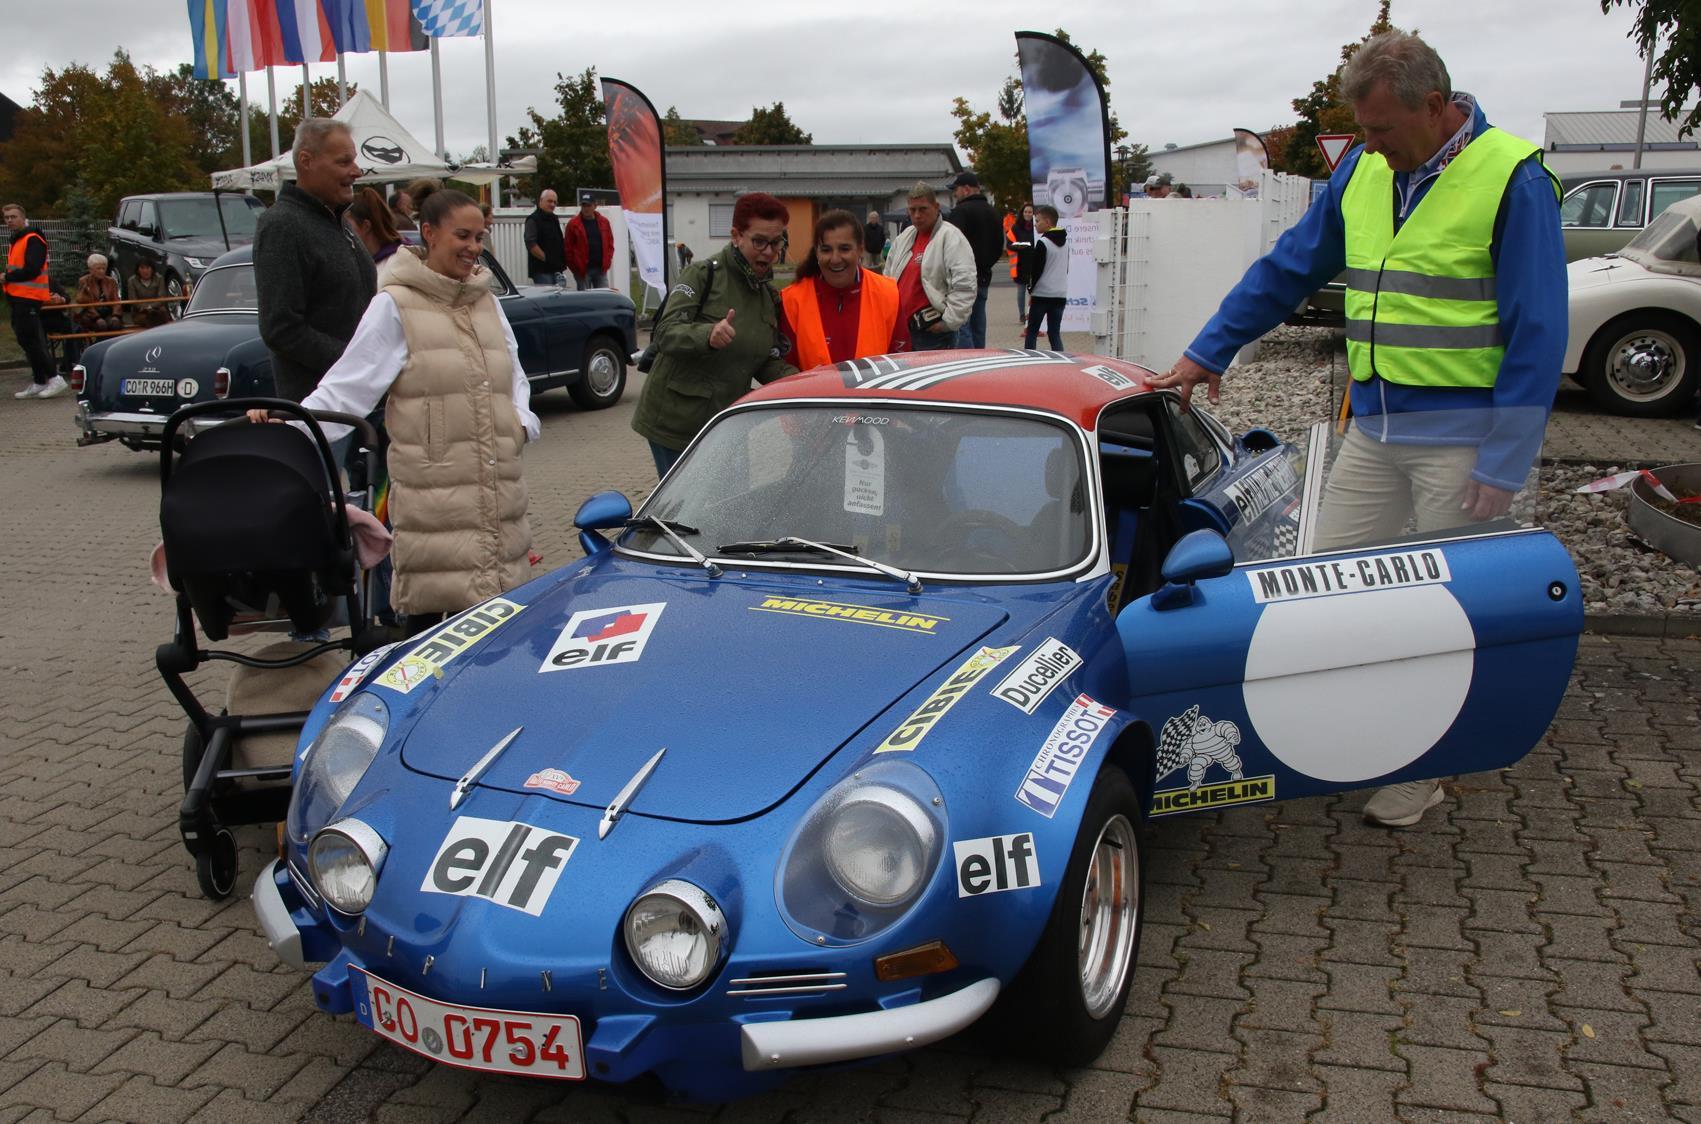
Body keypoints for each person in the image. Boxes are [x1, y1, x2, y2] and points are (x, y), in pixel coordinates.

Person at [1148, 30, 1565, 829]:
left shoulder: (1512, 177)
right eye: (1362, 131)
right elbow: (1288, 266)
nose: (1366, 146)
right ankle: (1354, 729)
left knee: (1445, 609)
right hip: (1374, 428)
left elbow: (1537, 331)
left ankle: (1429, 766)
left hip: (1463, 439)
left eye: (1380, 130)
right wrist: (1208, 351)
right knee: (1323, 584)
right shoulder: (1364, 171)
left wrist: (1504, 462)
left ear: (1436, 106)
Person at [252, 189, 540, 624]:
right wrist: (287, 430)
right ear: (428, 233)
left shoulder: (486, 302)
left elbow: (514, 374)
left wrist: (520, 424)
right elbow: (349, 386)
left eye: (480, 237)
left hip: (501, 493)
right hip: (435, 499)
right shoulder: (394, 305)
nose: (473, 247)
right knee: (429, 638)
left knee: (499, 633)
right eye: (462, 235)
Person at [631, 192, 797, 477]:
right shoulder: (702, 275)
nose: (769, 252)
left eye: (776, 242)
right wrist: (707, 335)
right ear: (736, 236)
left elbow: (764, 359)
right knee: (684, 513)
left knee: (729, 507)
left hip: (724, 425)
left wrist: (804, 380)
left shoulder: (768, 296)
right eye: (759, 241)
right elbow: (666, 333)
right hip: (677, 424)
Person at [253, 118, 376, 403]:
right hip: (321, 409)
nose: (356, 171)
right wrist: (355, 364)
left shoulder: (337, 222)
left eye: (354, 161)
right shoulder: (282, 225)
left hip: (357, 400)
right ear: (306, 161)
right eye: (344, 162)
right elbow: (281, 329)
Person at [781, 209, 903, 369]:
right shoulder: (792, 300)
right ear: (816, 252)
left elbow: (901, 365)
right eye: (826, 250)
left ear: (860, 249)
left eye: (844, 249)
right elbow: (785, 372)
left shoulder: (888, 294)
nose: (835, 259)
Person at [883, 182, 975, 353]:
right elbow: (887, 278)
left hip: (932, 333)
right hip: (901, 330)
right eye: (912, 210)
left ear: (936, 207)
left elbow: (965, 284)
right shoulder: (904, 238)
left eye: (923, 209)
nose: (917, 215)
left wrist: (948, 323)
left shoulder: (951, 237)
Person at [4, 202, 67, 399]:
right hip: (18, 297)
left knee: (32, 340)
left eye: (13, 217)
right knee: (24, 339)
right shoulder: (17, 240)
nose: (9, 221)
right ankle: (40, 380)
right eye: (6, 218)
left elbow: (33, 269)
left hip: (29, 298)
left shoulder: (33, 239)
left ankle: (55, 378)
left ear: (23, 217)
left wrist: (7, 277)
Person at [945, 172, 1005, 350]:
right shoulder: (993, 212)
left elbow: (950, 245)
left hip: (962, 278)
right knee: (979, 326)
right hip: (984, 276)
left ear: (966, 189)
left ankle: (966, 364)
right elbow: (998, 246)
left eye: (955, 190)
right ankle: (981, 362)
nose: (954, 195)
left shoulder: (960, 212)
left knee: (962, 326)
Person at [1023, 205, 1069, 351]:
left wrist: (1030, 288)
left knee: (1032, 331)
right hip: (1060, 294)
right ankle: (1060, 362)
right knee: (1054, 332)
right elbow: (1066, 267)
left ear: (1048, 222)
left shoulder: (1043, 243)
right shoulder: (1066, 242)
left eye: (1038, 221)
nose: (1035, 224)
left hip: (1042, 294)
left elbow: (1036, 270)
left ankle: (1030, 361)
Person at [347, 187, 405, 276]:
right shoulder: (372, 261)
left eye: (346, 226)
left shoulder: (395, 265)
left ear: (366, 226)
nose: (341, 232)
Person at [565, 196, 614, 290]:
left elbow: (610, 243)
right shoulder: (573, 224)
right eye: (583, 205)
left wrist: (607, 261)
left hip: (601, 270)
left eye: (588, 205)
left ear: (595, 206)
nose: (586, 208)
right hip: (582, 271)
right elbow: (568, 248)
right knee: (585, 299)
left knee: (604, 297)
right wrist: (576, 268)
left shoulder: (604, 222)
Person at [523, 189, 566, 286]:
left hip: (557, 269)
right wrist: (546, 258)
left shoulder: (554, 219)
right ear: (541, 201)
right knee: (548, 298)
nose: (552, 204)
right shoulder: (533, 219)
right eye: (549, 201)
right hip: (542, 271)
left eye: (555, 202)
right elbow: (530, 243)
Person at [72, 254, 122, 334]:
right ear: (91, 269)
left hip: (107, 312)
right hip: (91, 314)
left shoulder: (111, 282)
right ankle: (100, 345)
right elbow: (85, 303)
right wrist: (97, 318)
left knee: (115, 324)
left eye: (103, 268)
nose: (101, 271)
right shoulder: (84, 281)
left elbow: (116, 300)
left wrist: (115, 315)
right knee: (101, 325)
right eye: (98, 268)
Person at [1006, 202, 1036, 324]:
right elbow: (1009, 244)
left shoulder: (1037, 226)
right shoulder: (1016, 227)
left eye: (1030, 212)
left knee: (1034, 291)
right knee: (1021, 291)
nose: (1028, 214)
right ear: (1022, 213)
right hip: (1020, 264)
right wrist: (1020, 246)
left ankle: (1033, 314)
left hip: (1034, 262)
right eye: (1026, 212)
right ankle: (1022, 315)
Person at [126, 260, 173, 329]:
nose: (145, 271)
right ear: (138, 270)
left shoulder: (159, 278)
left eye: (148, 268)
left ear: (152, 269)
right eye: (142, 268)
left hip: (157, 310)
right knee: (151, 319)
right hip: (140, 312)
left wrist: (151, 307)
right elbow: (133, 300)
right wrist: (145, 308)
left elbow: (162, 298)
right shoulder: (132, 281)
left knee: (160, 315)